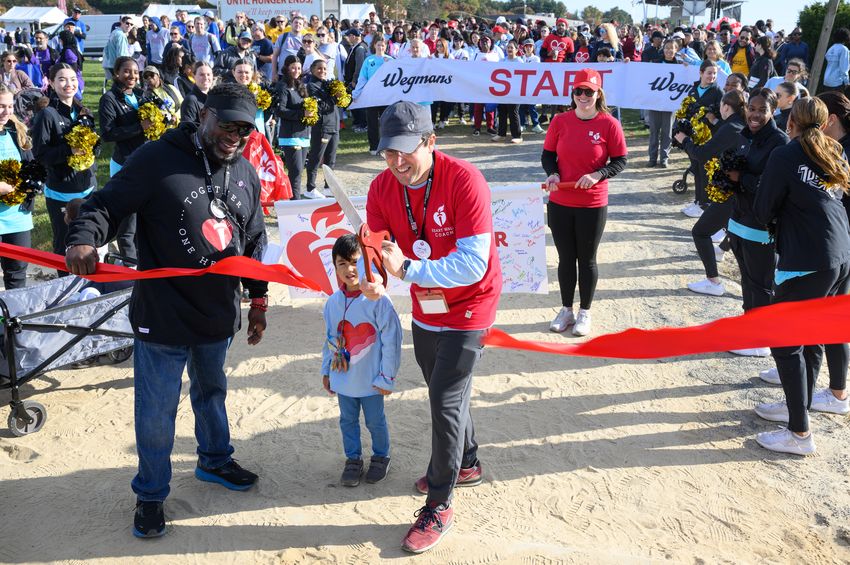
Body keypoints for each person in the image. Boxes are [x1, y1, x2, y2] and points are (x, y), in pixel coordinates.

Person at [65, 83, 269, 538]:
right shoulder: (158, 158)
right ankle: (151, 495)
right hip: (162, 316)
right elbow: (105, 204)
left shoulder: (246, 174)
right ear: (203, 116)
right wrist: (82, 239)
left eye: (244, 128)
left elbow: (253, 242)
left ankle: (215, 460)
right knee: (156, 412)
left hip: (217, 314)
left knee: (212, 392)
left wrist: (258, 299)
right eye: (226, 123)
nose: (233, 135)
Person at [362, 100, 502, 554]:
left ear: (430, 142)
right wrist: (373, 277)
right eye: (388, 152)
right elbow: (380, 249)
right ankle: (467, 461)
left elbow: (472, 264)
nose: (397, 162)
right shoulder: (382, 186)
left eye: (406, 150)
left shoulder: (465, 181)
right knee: (444, 390)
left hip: (471, 301)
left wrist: (408, 272)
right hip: (426, 303)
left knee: (443, 399)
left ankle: (440, 503)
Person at [752, 96, 850, 455]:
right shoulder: (833, 150)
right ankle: (800, 407)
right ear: (824, 123)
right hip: (840, 254)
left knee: (785, 341)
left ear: (791, 121)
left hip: (808, 257)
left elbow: (764, 209)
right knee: (812, 336)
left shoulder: (786, 154)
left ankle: (799, 433)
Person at [542, 68, 628, 337]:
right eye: (578, 91)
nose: (582, 96)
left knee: (587, 260)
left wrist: (598, 174)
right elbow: (547, 155)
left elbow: (620, 161)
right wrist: (553, 173)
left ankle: (585, 312)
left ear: (598, 93)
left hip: (592, 203)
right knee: (565, 258)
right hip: (560, 201)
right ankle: (566, 309)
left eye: (588, 91)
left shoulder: (609, 123)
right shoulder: (560, 121)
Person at [321, 233, 401, 487]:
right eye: (342, 263)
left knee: (375, 420)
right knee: (347, 420)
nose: (349, 269)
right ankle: (353, 459)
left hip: (371, 380)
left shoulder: (378, 301)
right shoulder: (333, 303)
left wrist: (386, 376)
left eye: (355, 262)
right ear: (334, 267)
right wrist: (327, 371)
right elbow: (330, 339)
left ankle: (381, 456)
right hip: (344, 378)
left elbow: (392, 340)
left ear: (366, 263)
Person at [725, 87, 789, 356]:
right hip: (739, 219)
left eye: (762, 110)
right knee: (746, 279)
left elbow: (771, 186)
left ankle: (760, 339)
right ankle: (748, 327)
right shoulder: (743, 135)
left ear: (772, 111)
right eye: (752, 108)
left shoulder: (780, 142)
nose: (755, 114)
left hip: (760, 227)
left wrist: (741, 179)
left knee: (761, 283)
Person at [677, 90, 747, 297]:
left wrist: (683, 140)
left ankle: (713, 282)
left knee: (700, 232)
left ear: (726, 107)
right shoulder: (740, 125)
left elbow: (701, 154)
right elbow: (724, 135)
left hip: (731, 194)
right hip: (742, 192)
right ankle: (758, 283)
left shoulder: (731, 128)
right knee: (737, 236)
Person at [30, 64, 96, 263]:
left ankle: (88, 287)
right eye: (62, 79)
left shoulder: (84, 111)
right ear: (51, 82)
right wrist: (70, 150)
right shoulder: (47, 114)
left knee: (89, 239)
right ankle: (65, 287)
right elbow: (40, 155)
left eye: (73, 79)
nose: (69, 84)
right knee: (65, 242)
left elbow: (95, 145)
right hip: (61, 192)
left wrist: (93, 147)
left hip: (88, 188)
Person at [99, 56, 146, 262]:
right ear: (117, 73)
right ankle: (130, 268)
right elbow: (108, 134)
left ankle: (143, 262)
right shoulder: (109, 98)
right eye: (127, 71)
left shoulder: (140, 94)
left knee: (144, 218)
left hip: (145, 163)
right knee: (128, 223)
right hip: (124, 165)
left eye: (135, 72)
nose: (132, 76)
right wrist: (139, 128)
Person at [0, 84, 34, 289]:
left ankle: (13, 320)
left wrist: (30, 186)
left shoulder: (16, 131)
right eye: (1, 106)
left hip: (18, 220)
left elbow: (34, 169)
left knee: (17, 278)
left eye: (10, 106)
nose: (7, 112)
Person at [680, 60, 724, 217]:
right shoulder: (693, 89)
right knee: (696, 169)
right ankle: (698, 201)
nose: (712, 76)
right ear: (701, 73)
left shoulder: (718, 92)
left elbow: (720, 116)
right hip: (693, 137)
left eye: (714, 73)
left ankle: (705, 204)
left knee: (705, 171)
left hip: (709, 139)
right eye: (709, 73)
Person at [274, 55, 311, 198]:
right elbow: (280, 110)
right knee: (295, 172)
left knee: (299, 171)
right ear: (287, 68)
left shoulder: (300, 84)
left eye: (299, 68)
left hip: (303, 133)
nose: (296, 70)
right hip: (291, 135)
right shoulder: (283, 86)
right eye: (293, 67)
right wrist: (302, 113)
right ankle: (295, 203)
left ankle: (293, 200)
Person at [303, 59, 338, 199]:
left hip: (334, 125)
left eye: (324, 69)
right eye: (319, 68)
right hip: (322, 127)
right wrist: (334, 97)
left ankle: (328, 187)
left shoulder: (328, 84)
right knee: (316, 157)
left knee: (331, 158)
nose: (322, 71)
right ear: (312, 70)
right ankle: (310, 188)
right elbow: (321, 106)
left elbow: (336, 104)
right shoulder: (311, 86)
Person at [352, 36, 391, 155]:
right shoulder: (369, 60)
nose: (381, 47)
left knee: (386, 123)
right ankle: (374, 147)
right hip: (371, 97)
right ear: (374, 45)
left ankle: (386, 147)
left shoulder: (391, 60)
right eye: (378, 44)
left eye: (383, 45)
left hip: (386, 98)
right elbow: (363, 78)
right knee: (372, 122)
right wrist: (356, 93)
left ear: (386, 46)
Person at [646, 39, 680, 168]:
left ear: (676, 50)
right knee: (654, 131)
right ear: (663, 49)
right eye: (666, 48)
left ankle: (664, 158)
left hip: (670, 104)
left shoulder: (681, 65)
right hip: (655, 102)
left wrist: (687, 68)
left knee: (667, 132)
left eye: (672, 48)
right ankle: (652, 158)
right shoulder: (655, 63)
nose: (669, 50)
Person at [493, 40, 522, 144]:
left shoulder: (519, 62)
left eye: (511, 48)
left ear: (516, 50)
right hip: (502, 92)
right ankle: (501, 134)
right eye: (508, 47)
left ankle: (517, 135)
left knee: (513, 112)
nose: (509, 49)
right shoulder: (502, 61)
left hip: (514, 92)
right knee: (502, 112)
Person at [181, 61, 214, 126]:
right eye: (201, 74)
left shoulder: (215, 97)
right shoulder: (190, 101)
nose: (206, 78)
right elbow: (188, 130)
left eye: (208, 74)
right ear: (194, 76)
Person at [271, 15, 305, 80]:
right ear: (291, 24)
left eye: (300, 23)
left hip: (298, 75)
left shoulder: (305, 40)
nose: (298, 24)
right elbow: (275, 56)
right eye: (296, 22)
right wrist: (274, 73)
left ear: (303, 26)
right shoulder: (283, 37)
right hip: (283, 74)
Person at [102, 17, 132, 85]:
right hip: (117, 65)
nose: (129, 25)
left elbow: (106, 49)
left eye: (131, 24)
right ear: (122, 23)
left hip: (110, 64)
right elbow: (121, 54)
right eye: (127, 23)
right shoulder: (121, 35)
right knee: (122, 87)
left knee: (116, 86)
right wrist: (124, 67)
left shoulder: (115, 32)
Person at [823, 28, 850, 92]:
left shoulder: (831, 48)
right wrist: (847, 82)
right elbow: (844, 68)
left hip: (827, 80)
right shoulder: (844, 49)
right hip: (837, 82)